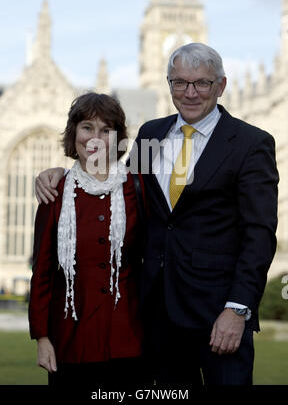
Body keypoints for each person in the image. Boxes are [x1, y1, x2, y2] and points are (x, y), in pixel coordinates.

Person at [35, 43, 279, 386]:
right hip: (157, 317)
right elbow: (113, 185)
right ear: (169, 85)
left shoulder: (250, 143)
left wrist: (237, 308)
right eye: (179, 82)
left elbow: (259, 234)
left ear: (220, 85)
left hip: (218, 315)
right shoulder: (151, 134)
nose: (189, 92)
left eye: (201, 83)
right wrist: (61, 174)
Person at [29, 92, 146, 391]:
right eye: (87, 128)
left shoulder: (138, 186)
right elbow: (43, 271)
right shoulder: (55, 192)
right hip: (71, 340)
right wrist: (42, 338)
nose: (95, 138)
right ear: (74, 133)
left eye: (106, 130)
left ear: (118, 138)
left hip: (130, 340)